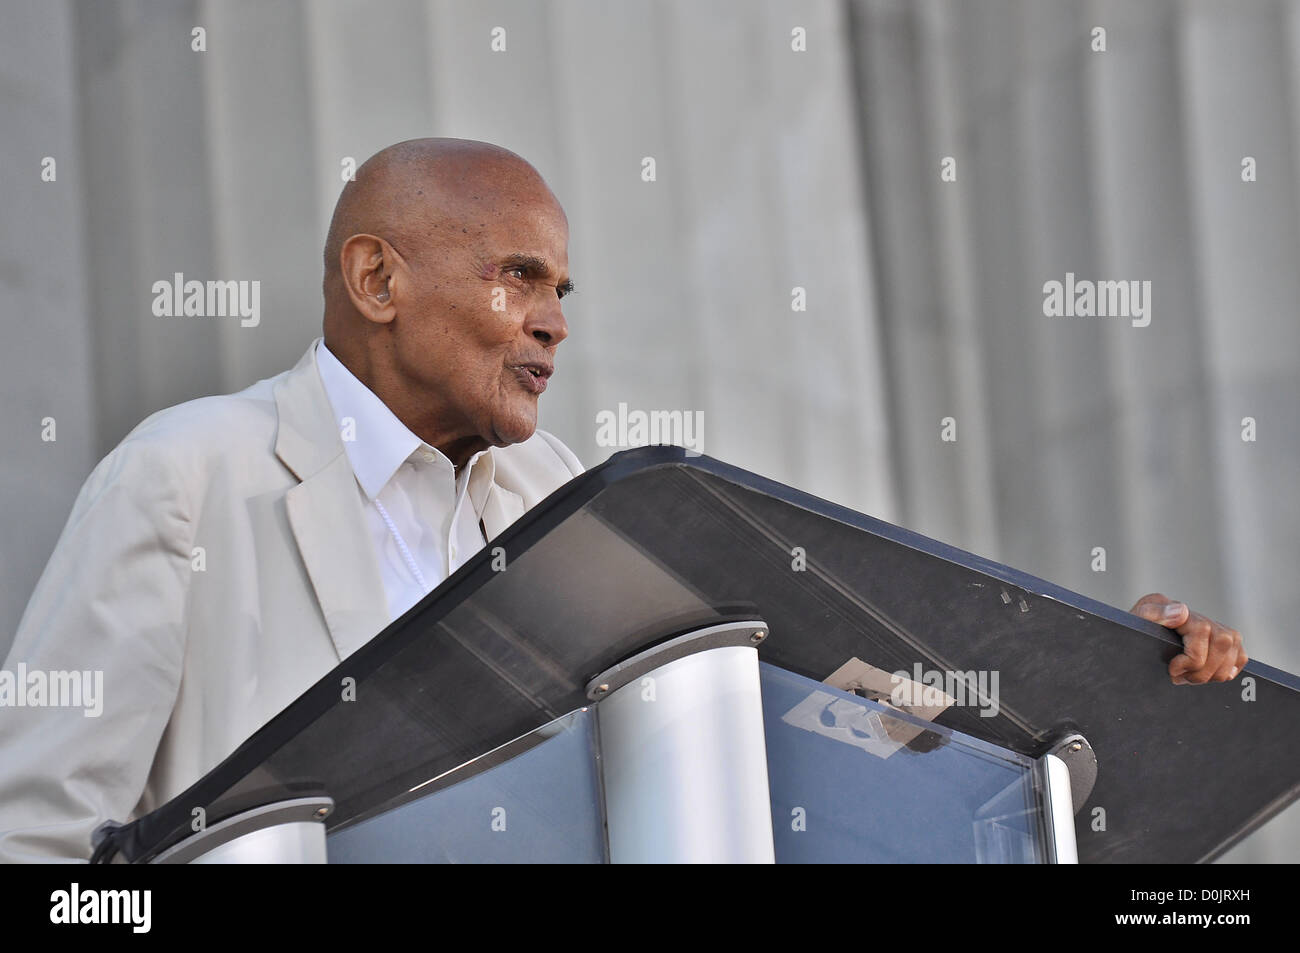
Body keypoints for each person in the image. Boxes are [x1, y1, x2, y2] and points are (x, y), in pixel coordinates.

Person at [0, 138, 1249, 862]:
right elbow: (42, 846)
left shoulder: (569, 501)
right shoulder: (190, 479)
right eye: (516, 276)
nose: (551, 319)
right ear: (376, 277)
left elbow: (786, 727)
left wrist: (1077, 685)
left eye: (562, 289)